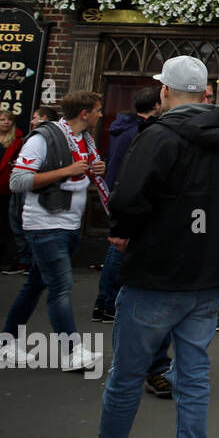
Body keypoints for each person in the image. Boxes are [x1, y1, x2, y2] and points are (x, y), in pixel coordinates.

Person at [50, 54, 219, 438]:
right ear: (207, 94)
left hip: (155, 275)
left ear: (164, 92)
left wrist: (127, 230)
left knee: (125, 379)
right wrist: (217, 244)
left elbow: (127, 199)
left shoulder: (159, 135)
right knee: (194, 379)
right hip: (209, 278)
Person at [2, 91, 108, 373]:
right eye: (97, 110)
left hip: (69, 225)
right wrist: (66, 171)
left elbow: (82, 172)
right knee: (61, 286)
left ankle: (6, 343)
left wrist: (97, 169)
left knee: (35, 284)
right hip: (45, 226)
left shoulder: (85, 140)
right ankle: (71, 350)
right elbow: (18, 180)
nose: (100, 114)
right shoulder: (42, 139)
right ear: (84, 113)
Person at [92, 86, 161, 323]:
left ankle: (104, 303)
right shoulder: (140, 132)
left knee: (118, 249)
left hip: (116, 191)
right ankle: (108, 303)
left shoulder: (123, 128)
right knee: (119, 250)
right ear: (157, 106)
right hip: (127, 194)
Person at [5, 105, 57, 276]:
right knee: (17, 222)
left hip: (32, 186)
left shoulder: (41, 138)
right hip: (21, 185)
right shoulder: (32, 137)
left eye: (35, 117)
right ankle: (25, 261)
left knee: (25, 224)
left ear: (44, 119)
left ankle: (30, 262)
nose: (31, 121)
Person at [0, 110, 24, 271]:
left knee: (5, 224)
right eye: (2, 119)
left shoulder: (18, 140)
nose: (5, 122)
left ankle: (6, 257)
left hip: (6, 187)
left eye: (9, 119)